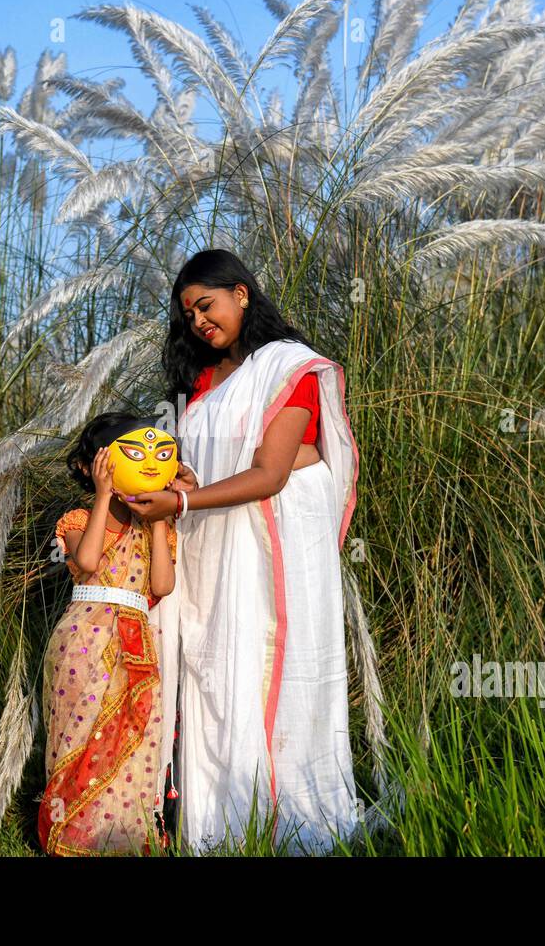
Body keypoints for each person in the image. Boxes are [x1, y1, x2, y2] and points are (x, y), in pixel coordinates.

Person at [126, 249, 363, 854]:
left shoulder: (291, 368)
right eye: (188, 315)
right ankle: (218, 825)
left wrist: (183, 505)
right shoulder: (201, 383)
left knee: (267, 671)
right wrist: (181, 482)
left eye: (206, 306)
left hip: (272, 545)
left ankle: (285, 821)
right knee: (214, 675)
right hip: (212, 546)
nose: (199, 323)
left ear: (242, 294)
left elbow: (270, 474)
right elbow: (204, 467)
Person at [38, 413, 178, 856]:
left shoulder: (156, 528)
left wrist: (157, 516)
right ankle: (71, 838)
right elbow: (91, 561)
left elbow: (161, 585)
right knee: (78, 736)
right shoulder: (77, 518)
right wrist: (103, 497)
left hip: (136, 642)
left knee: (134, 738)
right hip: (84, 639)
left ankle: (122, 837)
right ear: (93, 465)